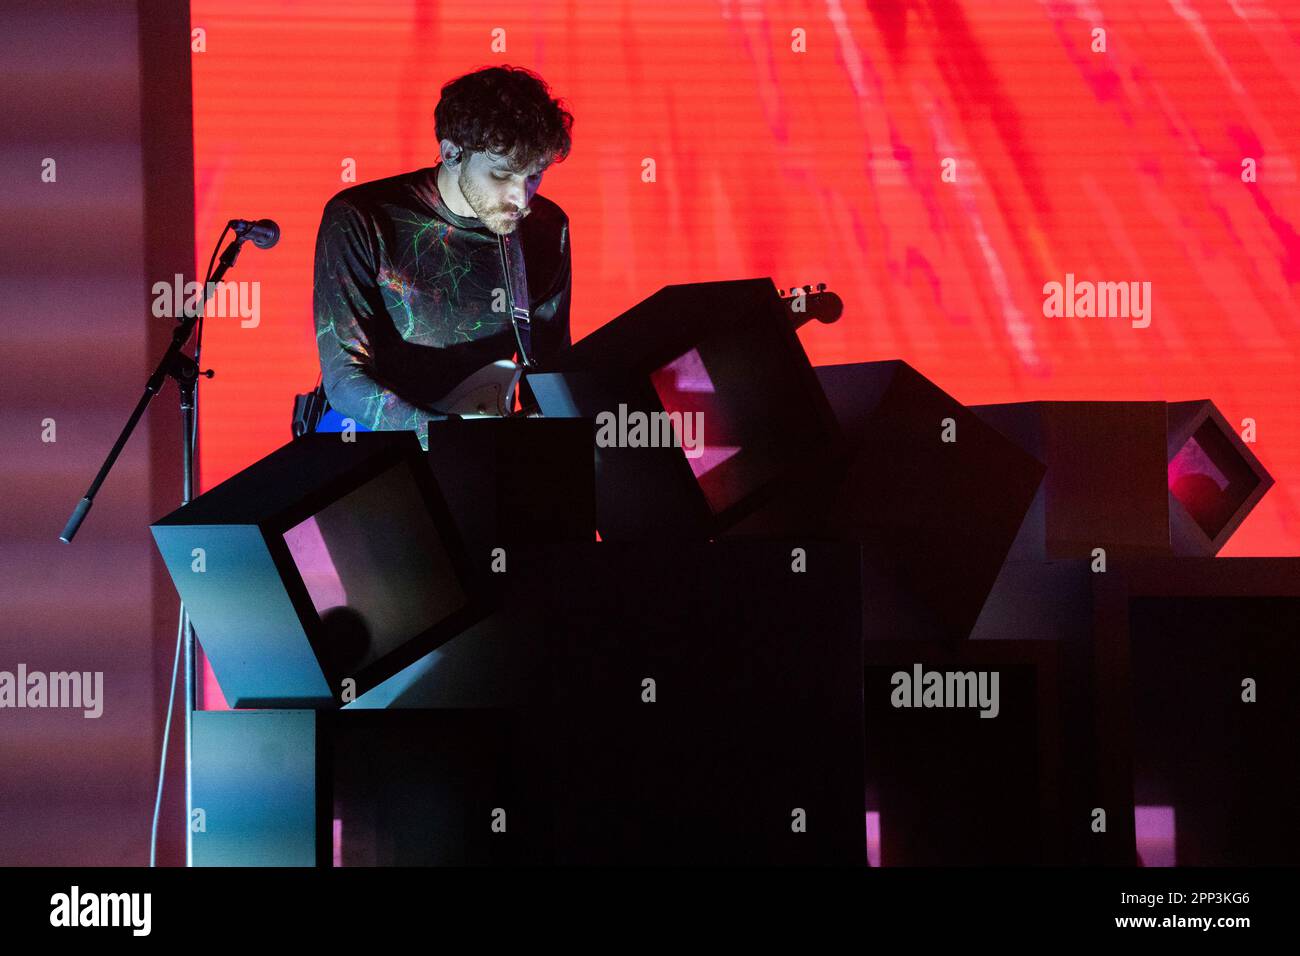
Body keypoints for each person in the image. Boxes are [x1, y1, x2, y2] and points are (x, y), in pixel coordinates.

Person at [312, 65, 574, 448]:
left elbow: (549, 368)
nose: (522, 198)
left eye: (534, 175)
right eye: (502, 176)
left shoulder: (547, 230)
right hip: (376, 451)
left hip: (479, 450)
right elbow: (345, 379)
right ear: (452, 153)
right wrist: (450, 440)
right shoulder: (361, 218)